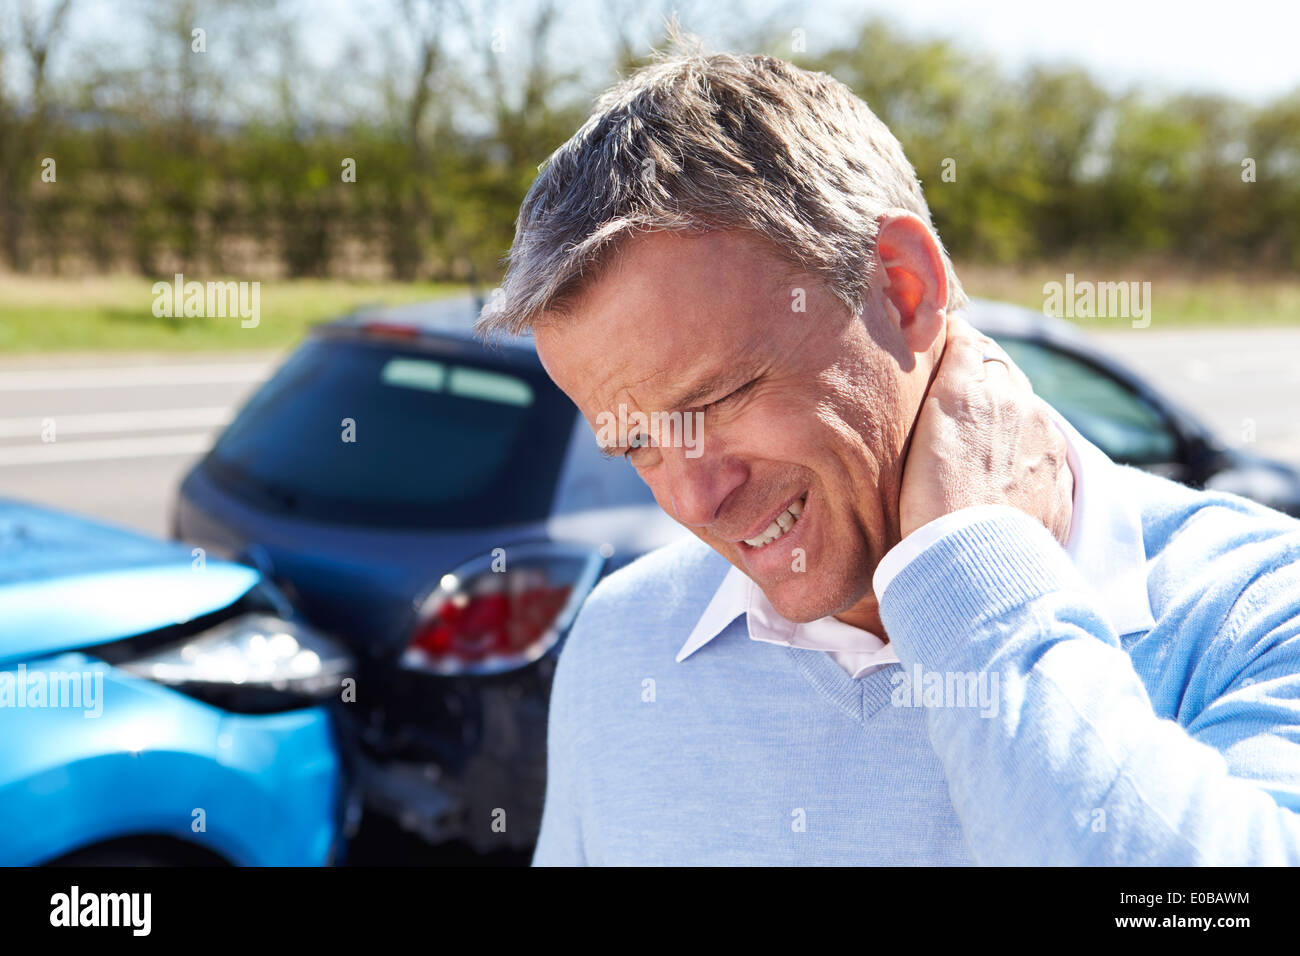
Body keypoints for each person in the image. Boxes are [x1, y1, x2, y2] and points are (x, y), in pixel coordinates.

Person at [476, 43, 1300, 865]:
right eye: (636, 446)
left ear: (903, 287)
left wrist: (978, 583)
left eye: (715, 400)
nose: (694, 502)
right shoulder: (623, 639)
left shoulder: (1259, 615)